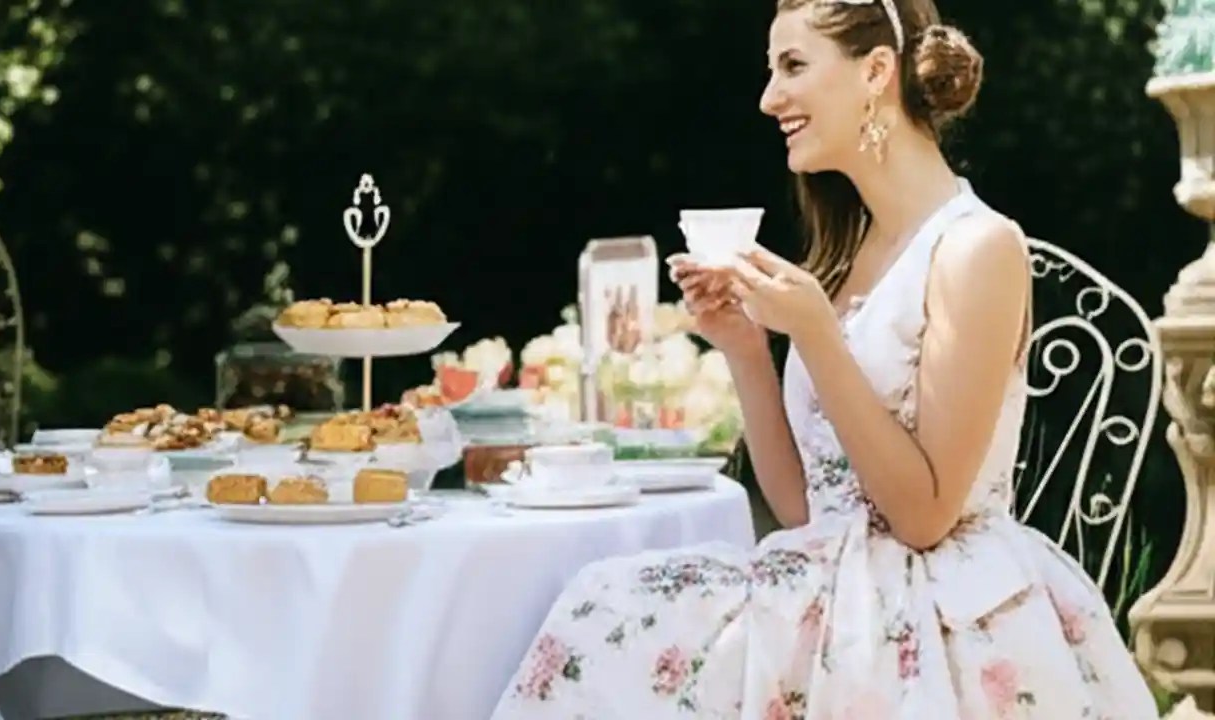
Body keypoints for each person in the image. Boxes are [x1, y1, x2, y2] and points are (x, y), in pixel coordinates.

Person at [490, 0, 1159, 717]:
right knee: (601, 601)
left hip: (936, 606)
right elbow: (808, 507)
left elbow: (925, 517)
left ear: (876, 71)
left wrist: (815, 334)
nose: (769, 97)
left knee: (609, 616)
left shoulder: (976, 248)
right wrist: (747, 351)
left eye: (793, 66)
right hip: (830, 581)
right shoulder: (852, 257)